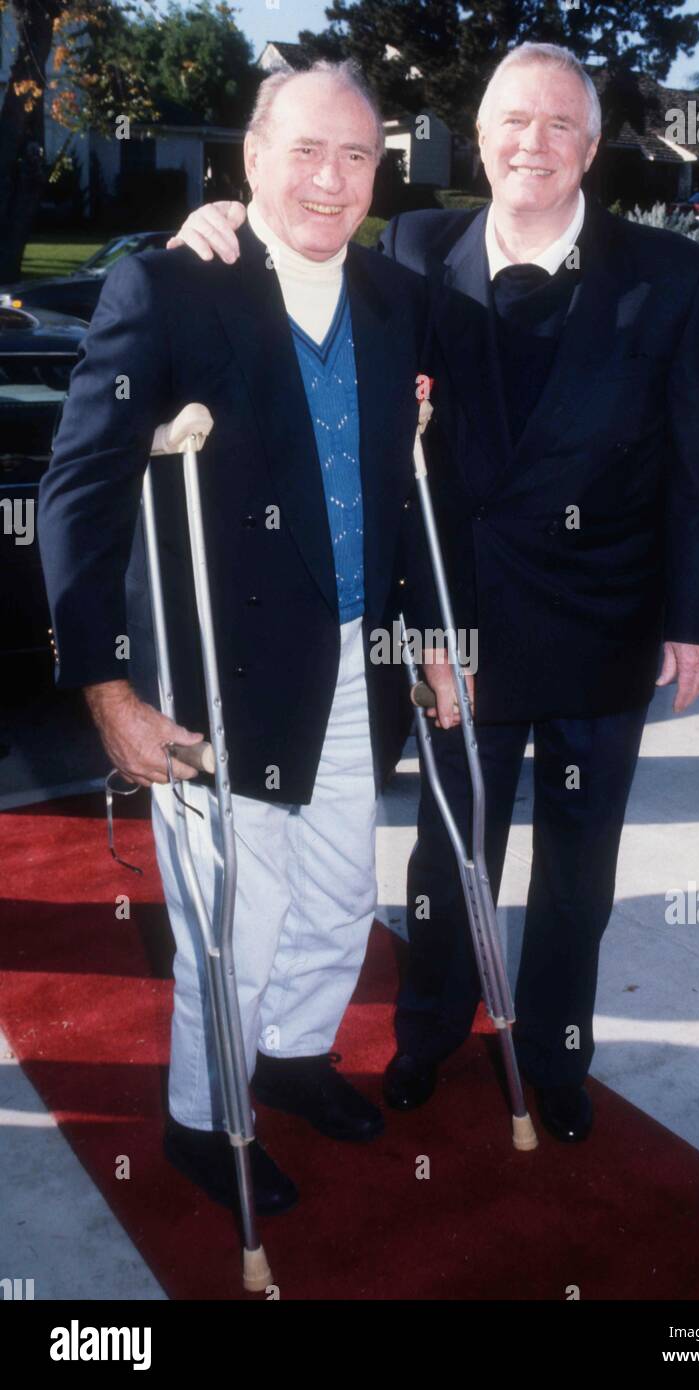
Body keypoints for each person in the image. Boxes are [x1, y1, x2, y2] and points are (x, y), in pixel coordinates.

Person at [167, 42, 699, 1145]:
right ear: (477, 138)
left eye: (561, 126)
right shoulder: (417, 247)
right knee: (446, 853)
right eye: (513, 122)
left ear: (592, 146)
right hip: (453, 626)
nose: (534, 144)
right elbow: (293, 268)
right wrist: (210, 233)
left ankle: (556, 1053)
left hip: (601, 624)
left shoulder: (668, 278)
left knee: (578, 865)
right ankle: (425, 1036)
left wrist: (694, 617)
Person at [37, 60, 429, 1217]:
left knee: (339, 890)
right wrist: (106, 687)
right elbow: (76, 494)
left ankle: (299, 1056)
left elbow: (508, 261)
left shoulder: (397, 292)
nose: (329, 177)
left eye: (356, 155)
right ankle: (205, 1121)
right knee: (235, 920)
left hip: (361, 656)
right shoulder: (169, 288)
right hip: (225, 674)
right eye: (303, 149)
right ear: (248, 158)